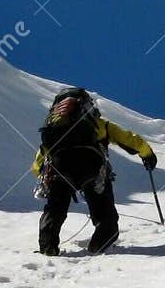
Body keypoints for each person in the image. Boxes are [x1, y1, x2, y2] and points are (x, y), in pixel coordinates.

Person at [32, 87, 155, 256]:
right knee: (105, 213)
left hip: (58, 169)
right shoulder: (98, 124)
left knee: (55, 210)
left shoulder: (55, 127)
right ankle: (99, 246)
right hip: (91, 168)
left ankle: (48, 247)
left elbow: (38, 162)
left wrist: (45, 177)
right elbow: (128, 139)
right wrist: (147, 154)